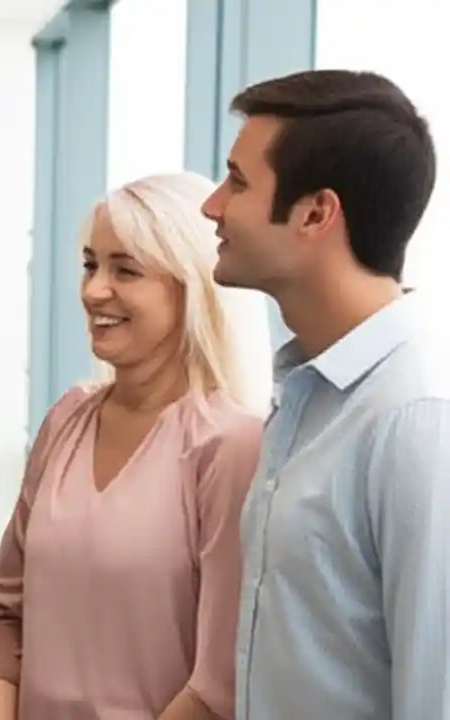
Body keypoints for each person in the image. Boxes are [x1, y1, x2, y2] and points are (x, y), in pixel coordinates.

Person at [0, 171, 272, 720]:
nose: (92, 290)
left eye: (125, 270)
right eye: (91, 264)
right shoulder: (67, 419)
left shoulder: (232, 445)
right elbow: (0, 613)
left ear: (194, 287)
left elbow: (220, 681)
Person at [203, 69, 448, 719]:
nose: (212, 205)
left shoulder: (414, 419)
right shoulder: (304, 399)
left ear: (316, 212)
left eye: (239, 181)